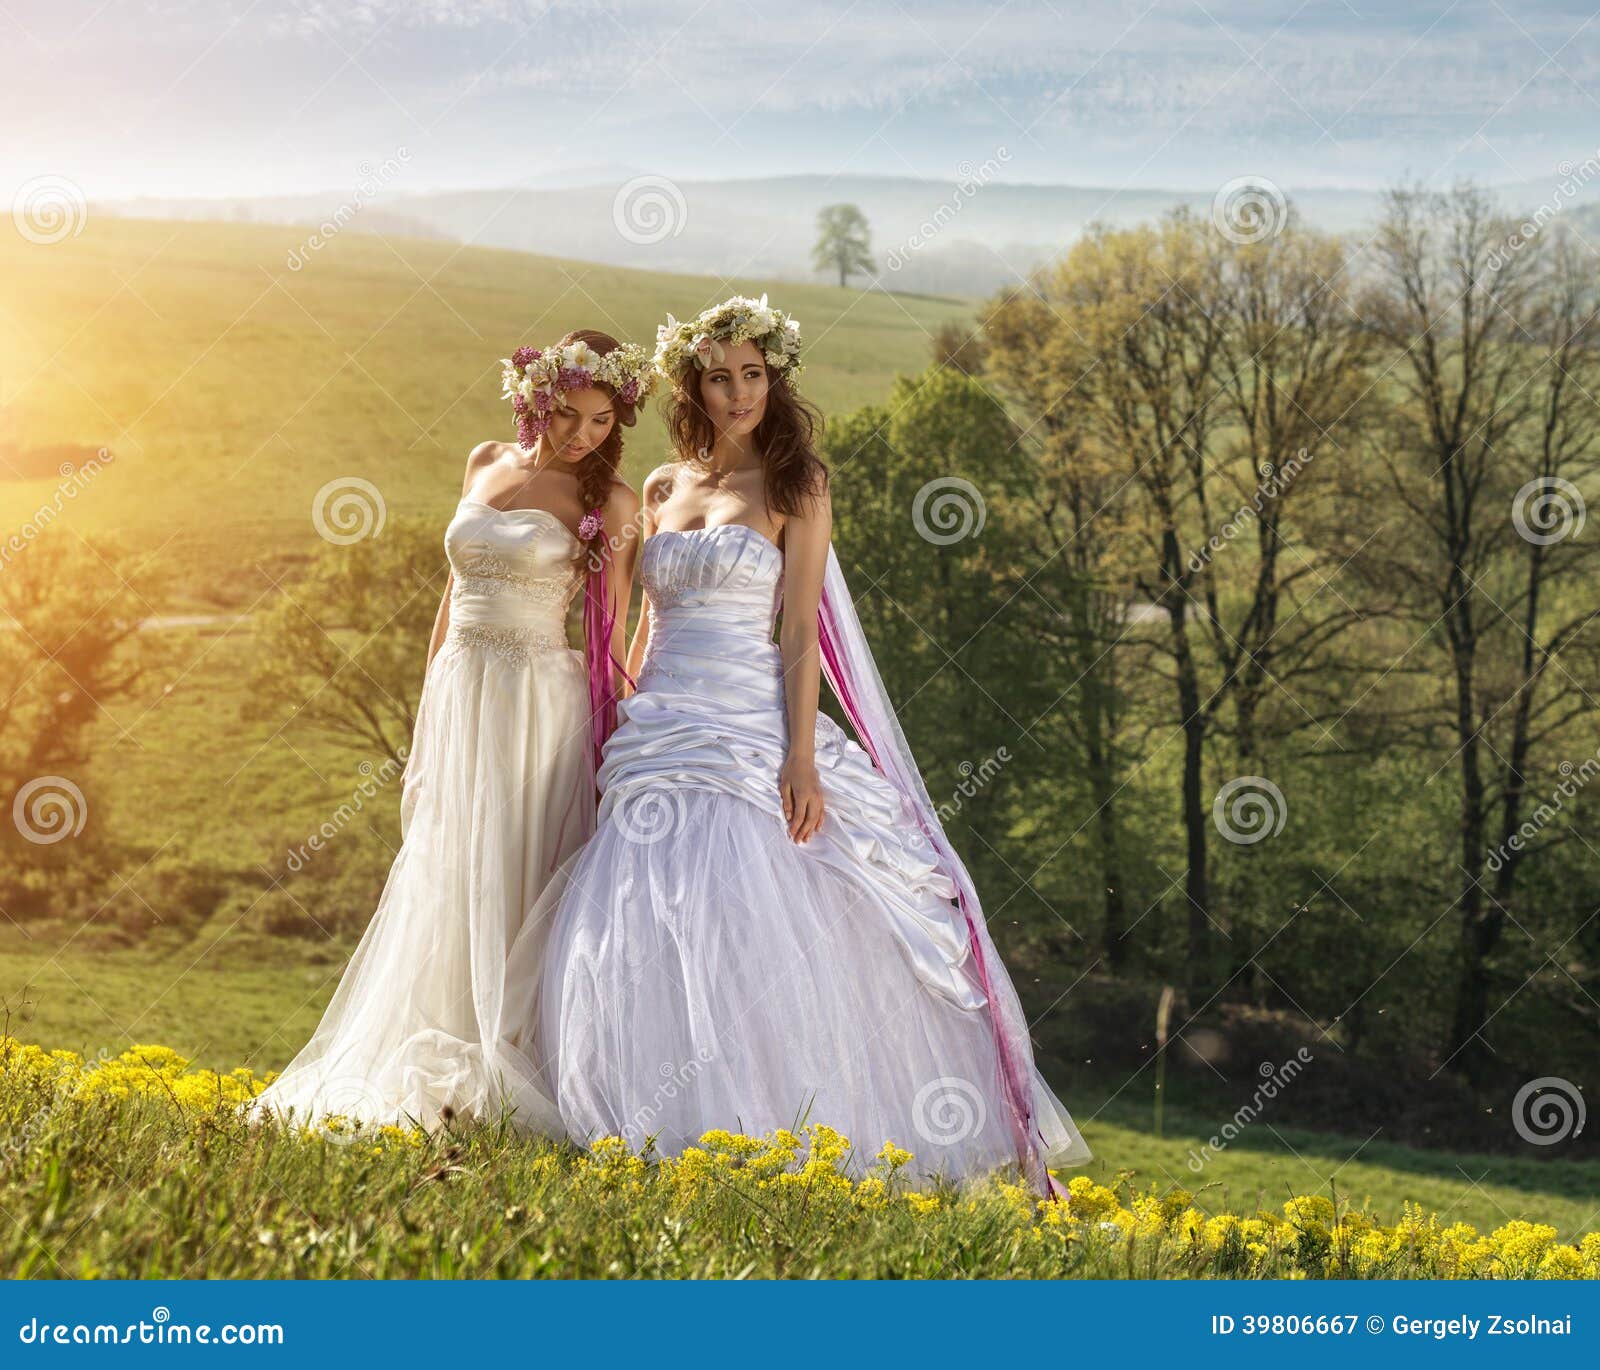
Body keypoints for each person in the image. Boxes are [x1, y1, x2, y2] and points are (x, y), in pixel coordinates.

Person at [509, 298, 1091, 1194]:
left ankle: (782, 1127)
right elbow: (634, 625)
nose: (737, 392)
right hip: (661, 725)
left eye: (752, 374)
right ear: (691, 386)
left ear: (772, 380)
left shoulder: (796, 485)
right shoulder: (662, 488)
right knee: (643, 914)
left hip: (750, 725)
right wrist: (617, 714)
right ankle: (644, 1115)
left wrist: (801, 759)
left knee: (754, 914)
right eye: (718, 375)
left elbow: (796, 636)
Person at [247, 329, 651, 1140]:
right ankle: (441, 1036)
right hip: (461, 690)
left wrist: (633, 732)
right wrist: (432, 703)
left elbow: (613, 632)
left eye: (603, 421)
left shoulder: (611, 503)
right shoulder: (484, 460)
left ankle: (516, 1058)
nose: (582, 435)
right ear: (536, 397)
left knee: (519, 863)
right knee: (449, 858)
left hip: (537, 700)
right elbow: (449, 594)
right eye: (569, 413)